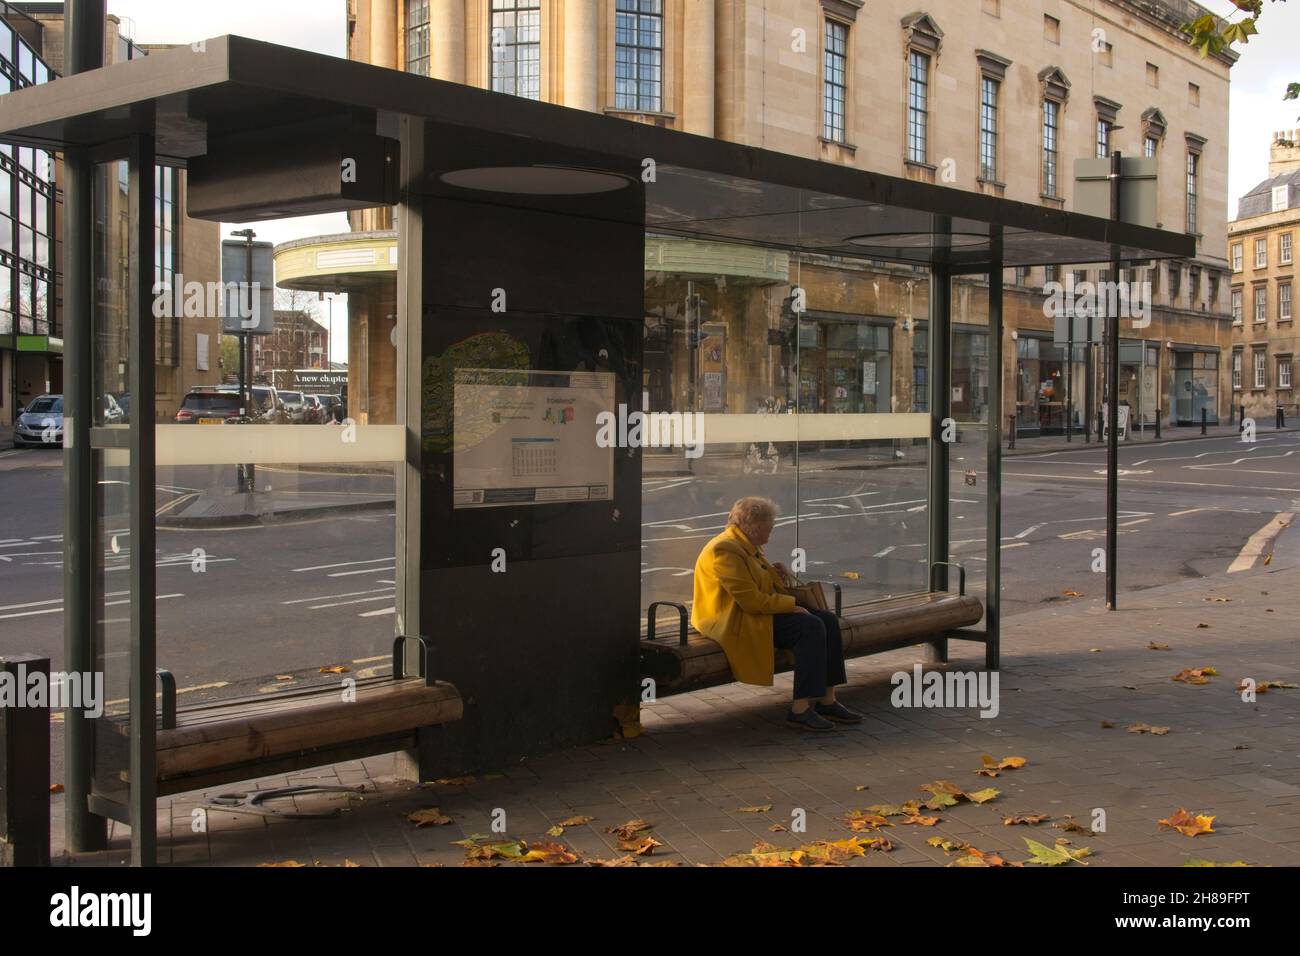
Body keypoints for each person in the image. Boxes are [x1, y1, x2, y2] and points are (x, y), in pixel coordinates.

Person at [691, 496, 863, 731]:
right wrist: (790, 605)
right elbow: (750, 600)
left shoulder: (746, 545)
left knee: (828, 621)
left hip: (755, 614)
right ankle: (800, 709)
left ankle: (827, 700)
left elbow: (756, 584)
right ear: (756, 526)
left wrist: (776, 574)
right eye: (769, 526)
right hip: (734, 619)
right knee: (810, 627)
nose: (771, 532)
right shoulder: (724, 549)